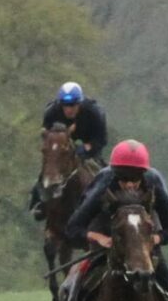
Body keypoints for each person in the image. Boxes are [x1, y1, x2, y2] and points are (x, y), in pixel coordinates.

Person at [54, 138, 168, 301]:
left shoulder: (154, 181)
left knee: (165, 273)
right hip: (106, 235)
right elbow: (74, 227)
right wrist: (99, 238)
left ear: (144, 174)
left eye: (135, 178)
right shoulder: (104, 182)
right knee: (79, 273)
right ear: (115, 173)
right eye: (124, 178)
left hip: (143, 239)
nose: (130, 184)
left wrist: (153, 239)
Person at [29, 81, 110, 216]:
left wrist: (86, 148)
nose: (69, 109)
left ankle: (108, 204)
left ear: (79, 104)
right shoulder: (51, 112)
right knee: (48, 170)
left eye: (72, 105)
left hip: (89, 144)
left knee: (102, 172)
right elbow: (47, 135)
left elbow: (102, 140)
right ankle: (38, 203)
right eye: (65, 105)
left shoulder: (94, 112)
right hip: (62, 146)